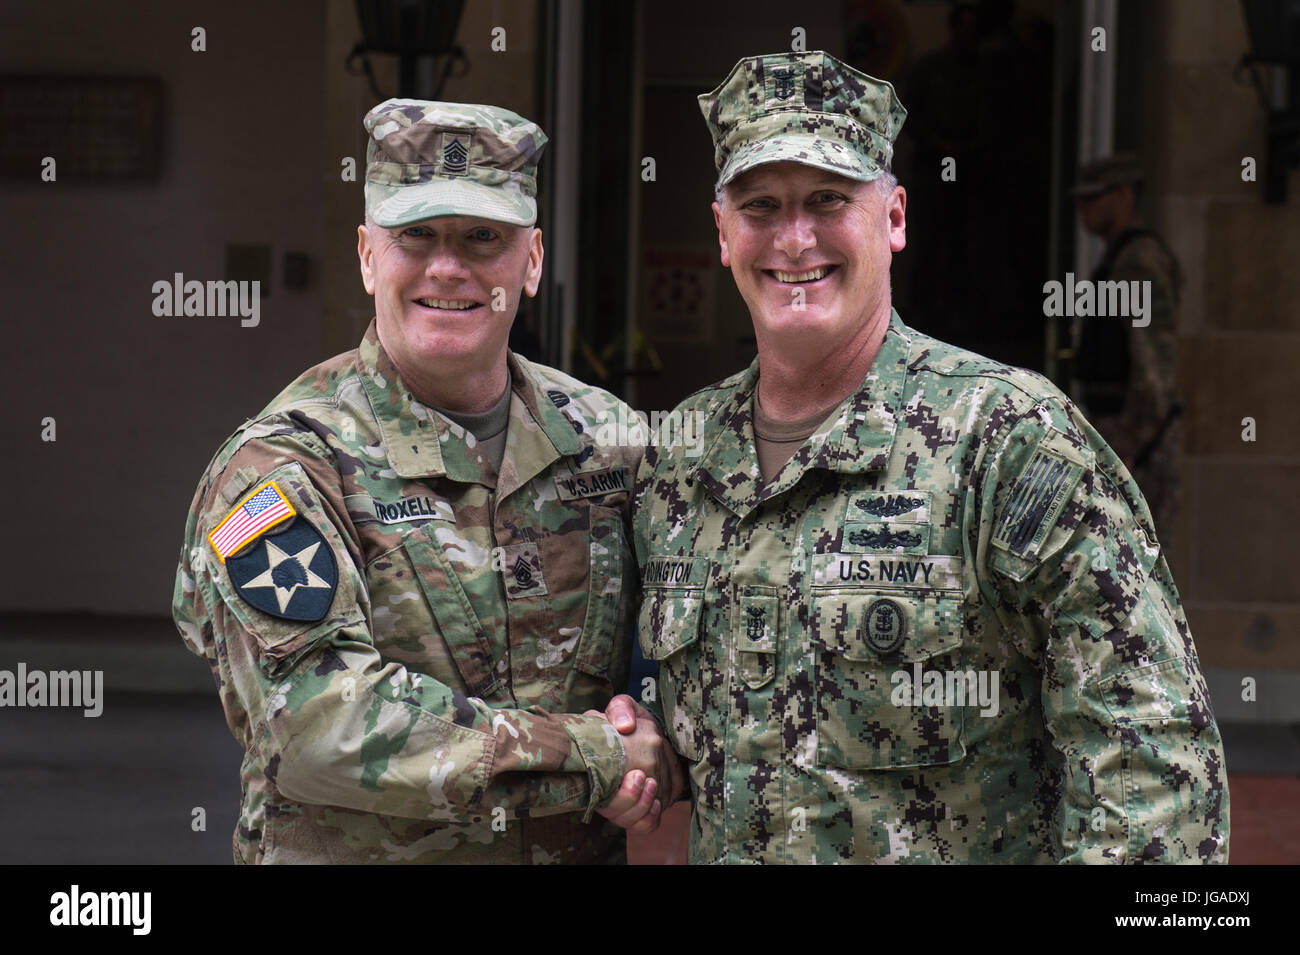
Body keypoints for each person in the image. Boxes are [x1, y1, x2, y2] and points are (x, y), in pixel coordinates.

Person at [626, 51, 1228, 864]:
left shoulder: (1009, 441)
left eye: (829, 200)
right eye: (761, 204)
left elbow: (1154, 759)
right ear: (722, 230)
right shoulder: (679, 463)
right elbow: (726, 729)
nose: (794, 237)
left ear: (895, 217)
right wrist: (642, 739)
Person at [171, 99, 679, 864]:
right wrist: (598, 754)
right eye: (416, 235)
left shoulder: (611, 442)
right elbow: (320, 727)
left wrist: (655, 735)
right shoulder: (282, 465)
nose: (449, 265)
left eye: (483, 237)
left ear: (532, 261)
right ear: (369, 255)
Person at [1072, 153, 1184, 555]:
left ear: (1123, 195)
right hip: (1123, 435)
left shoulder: (1138, 260)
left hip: (1137, 443)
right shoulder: (1120, 257)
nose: (1083, 211)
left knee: (1136, 567)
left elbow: (1154, 364)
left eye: (1092, 198)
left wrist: (1132, 449)